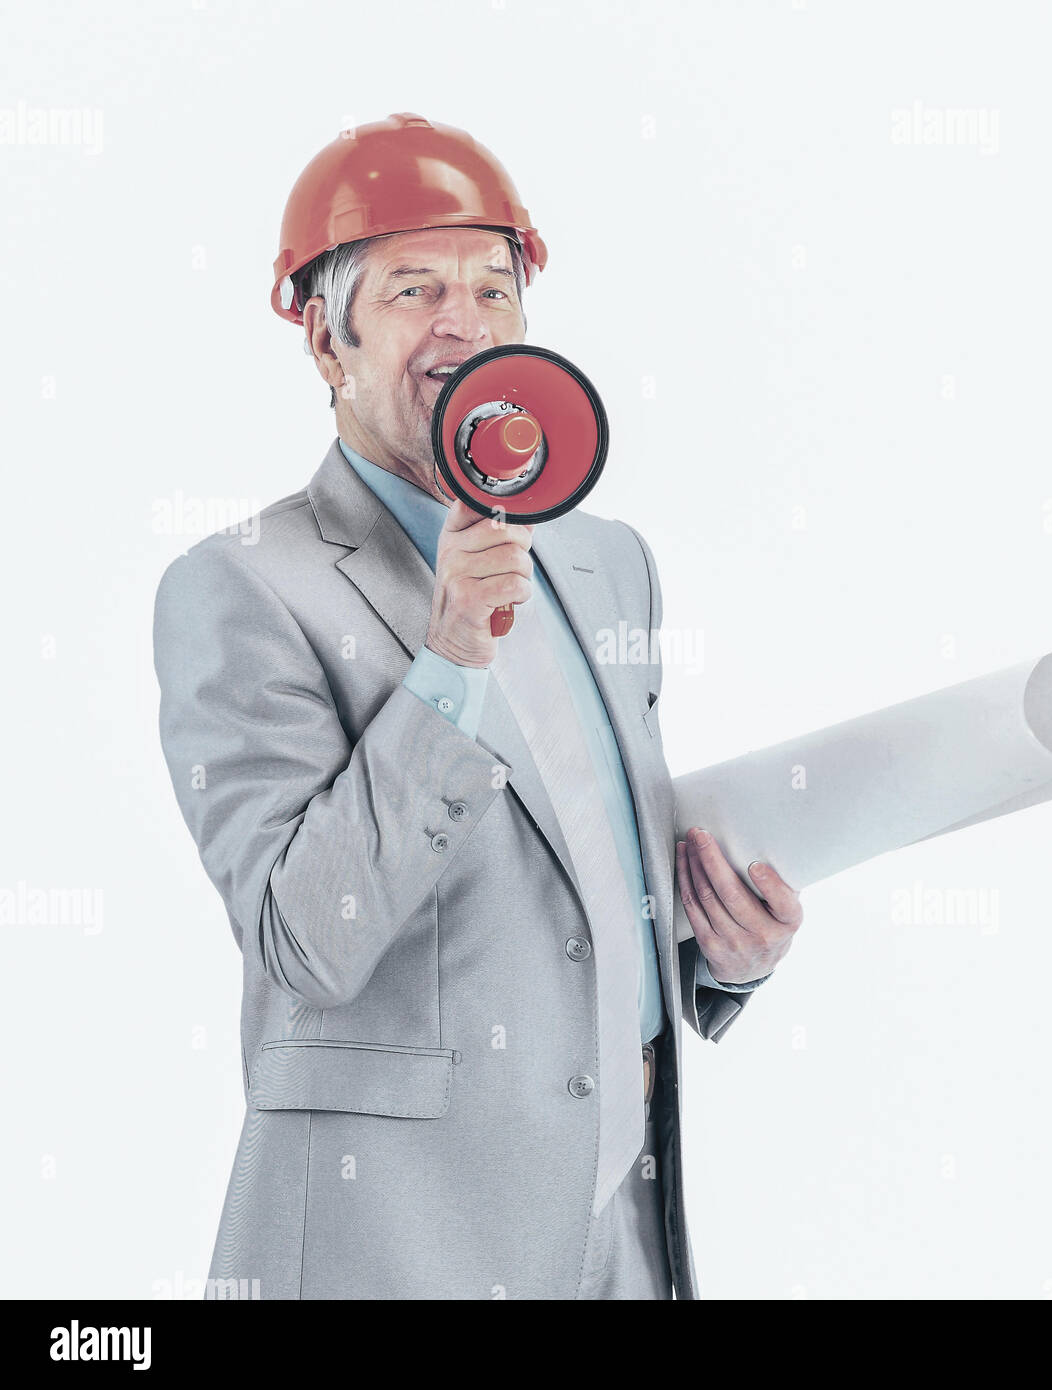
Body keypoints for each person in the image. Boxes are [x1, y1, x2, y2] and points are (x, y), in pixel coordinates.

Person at [152, 114, 802, 1300]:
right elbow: (308, 940)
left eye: (493, 288)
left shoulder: (608, 562)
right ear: (324, 340)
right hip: (401, 1245)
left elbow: (581, 876)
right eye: (412, 287)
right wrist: (448, 659)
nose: (464, 320)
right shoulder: (241, 585)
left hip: (622, 1228)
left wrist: (720, 958)